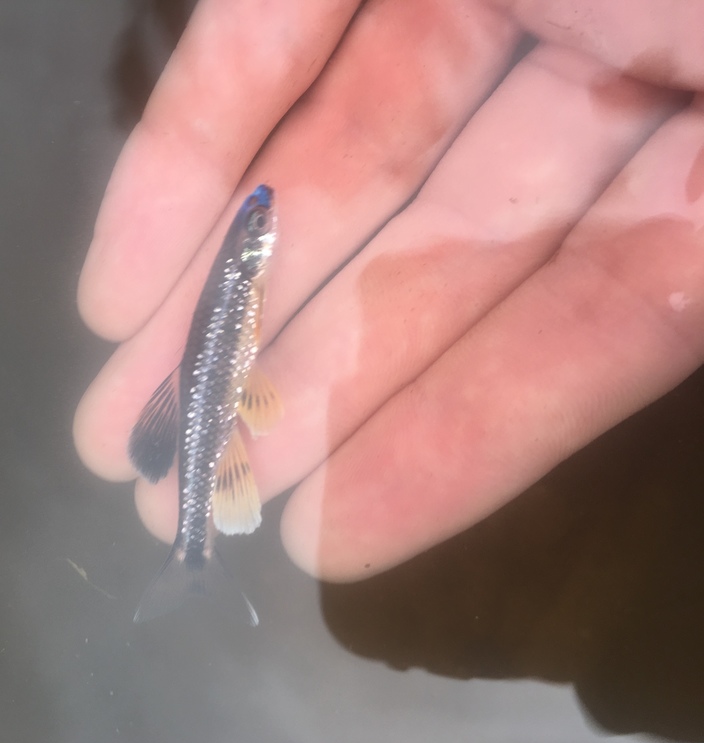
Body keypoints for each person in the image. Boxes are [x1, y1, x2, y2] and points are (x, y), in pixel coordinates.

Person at [72, 0, 704, 583]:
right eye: (259, 226)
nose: (265, 222)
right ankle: (193, 543)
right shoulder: (240, 283)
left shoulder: (241, 278)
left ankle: (192, 542)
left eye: (258, 224)